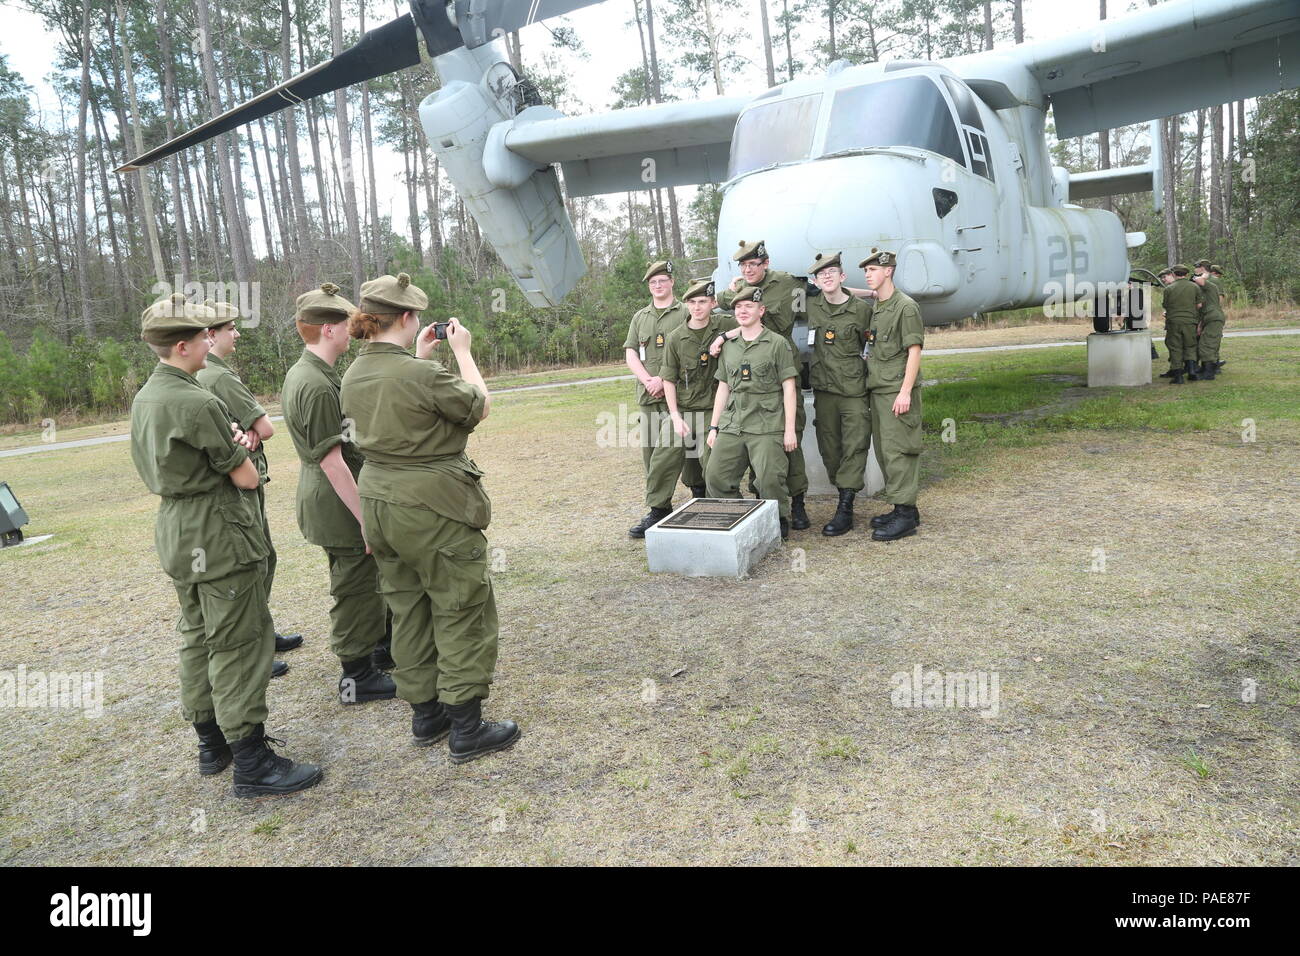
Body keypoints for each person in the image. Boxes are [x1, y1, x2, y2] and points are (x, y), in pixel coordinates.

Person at [129, 293, 321, 797]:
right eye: (201, 337)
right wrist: (241, 447)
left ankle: (211, 742)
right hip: (218, 533)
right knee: (238, 643)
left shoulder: (147, 396)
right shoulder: (196, 399)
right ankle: (252, 762)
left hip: (177, 528)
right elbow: (245, 477)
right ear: (185, 344)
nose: (208, 343)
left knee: (197, 636)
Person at [340, 273, 519, 763]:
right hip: (432, 503)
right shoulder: (419, 375)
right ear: (406, 317)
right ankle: (466, 725)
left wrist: (420, 357)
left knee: (408, 607)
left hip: (379, 500)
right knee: (460, 604)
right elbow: (477, 406)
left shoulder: (354, 374)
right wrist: (461, 352)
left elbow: (401, 405)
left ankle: (427, 713)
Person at [280, 283, 398, 705]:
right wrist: (367, 519)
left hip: (335, 495)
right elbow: (332, 461)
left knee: (367, 582)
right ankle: (356, 677)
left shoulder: (313, 373)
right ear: (328, 330)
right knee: (354, 588)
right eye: (347, 325)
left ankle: (378, 650)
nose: (354, 331)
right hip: (336, 500)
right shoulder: (313, 383)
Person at [195, 298, 301, 669]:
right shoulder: (218, 374)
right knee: (258, 559)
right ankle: (254, 645)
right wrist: (253, 432)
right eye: (230, 329)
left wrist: (250, 433)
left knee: (255, 559)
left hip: (229, 478)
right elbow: (266, 428)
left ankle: (262, 633)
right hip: (242, 482)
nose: (236, 334)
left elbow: (252, 430)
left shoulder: (197, 373)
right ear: (210, 335)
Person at [716, 240, 812, 530]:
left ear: (765, 263)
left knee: (790, 440)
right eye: (743, 265)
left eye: (753, 264)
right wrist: (732, 292)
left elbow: (810, 300)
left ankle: (796, 502)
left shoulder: (786, 284)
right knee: (752, 442)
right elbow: (719, 301)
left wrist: (726, 334)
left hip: (780, 365)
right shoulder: (739, 290)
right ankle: (761, 502)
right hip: (752, 371)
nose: (748, 269)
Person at [704, 285, 799, 539]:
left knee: (770, 478)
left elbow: (789, 388)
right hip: (733, 422)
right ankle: (742, 517)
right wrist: (714, 427)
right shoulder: (730, 346)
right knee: (715, 476)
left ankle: (777, 519)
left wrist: (789, 430)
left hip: (766, 422)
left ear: (761, 310)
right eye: (738, 307)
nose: (742, 311)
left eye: (748, 306)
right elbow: (723, 387)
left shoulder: (777, 344)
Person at [805, 252, 873, 536]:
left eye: (833, 272)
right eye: (822, 274)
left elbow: (870, 348)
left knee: (855, 444)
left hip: (854, 390)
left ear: (842, 277)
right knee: (829, 448)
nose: (827, 277)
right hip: (824, 391)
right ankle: (842, 487)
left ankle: (845, 506)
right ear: (816, 281)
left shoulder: (861, 310)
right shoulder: (809, 306)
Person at [860, 250, 925, 541]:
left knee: (899, 451)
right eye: (866, 271)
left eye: (873, 269)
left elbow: (915, 351)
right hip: (879, 391)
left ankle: (906, 514)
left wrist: (905, 392)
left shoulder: (905, 307)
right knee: (885, 452)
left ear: (889, 271)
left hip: (896, 392)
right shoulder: (880, 304)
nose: (868, 274)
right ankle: (903, 508)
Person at [624, 259, 690, 537]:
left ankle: (702, 495)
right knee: (652, 453)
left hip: (683, 394)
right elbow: (630, 353)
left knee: (690, 452)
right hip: (649, 396)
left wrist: (664, 379)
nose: (658, 285)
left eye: (662, 280)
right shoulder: (640, 317)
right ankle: (660, 508)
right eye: (653, 282)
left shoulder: (686, 311)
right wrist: (648, 380)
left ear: (672, 282)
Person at [661, 277, 736, 498]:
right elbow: (668, 378)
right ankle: (658, 507)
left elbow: (753, 326)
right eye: (692, 302)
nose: (697, 307)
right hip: (683, 409)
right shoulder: (675, 338)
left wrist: (724, 337)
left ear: (713, 303)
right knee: (662, 457)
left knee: (713, 463)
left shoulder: (724, 323)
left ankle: (724, 505)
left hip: (714, 409)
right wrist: (674, 416)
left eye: (702, 301)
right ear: (686, 305)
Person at [1161, 265, 1203, 384]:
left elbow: (1166, 305)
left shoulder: (1169, 289)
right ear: (1186, 274)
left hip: (1174, 321)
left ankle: (1178, 376)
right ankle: (1192, 372)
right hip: (1190, 321)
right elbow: (1199, 305)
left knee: (1175, 347)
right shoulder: (1194, 287)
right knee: (1190, 346)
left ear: (1174, 274)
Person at [1192, 264, 1225, 379]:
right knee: (1204, 344)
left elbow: (1200, 280)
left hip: (1214, 318)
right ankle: (1205, 368)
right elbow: (1202, 311)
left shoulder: (1211, 286)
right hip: (1207, 318)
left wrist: (1203, 275)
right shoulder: (1203, 292)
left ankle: (1209, 373)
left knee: (1207, 345)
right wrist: (1200, 326)